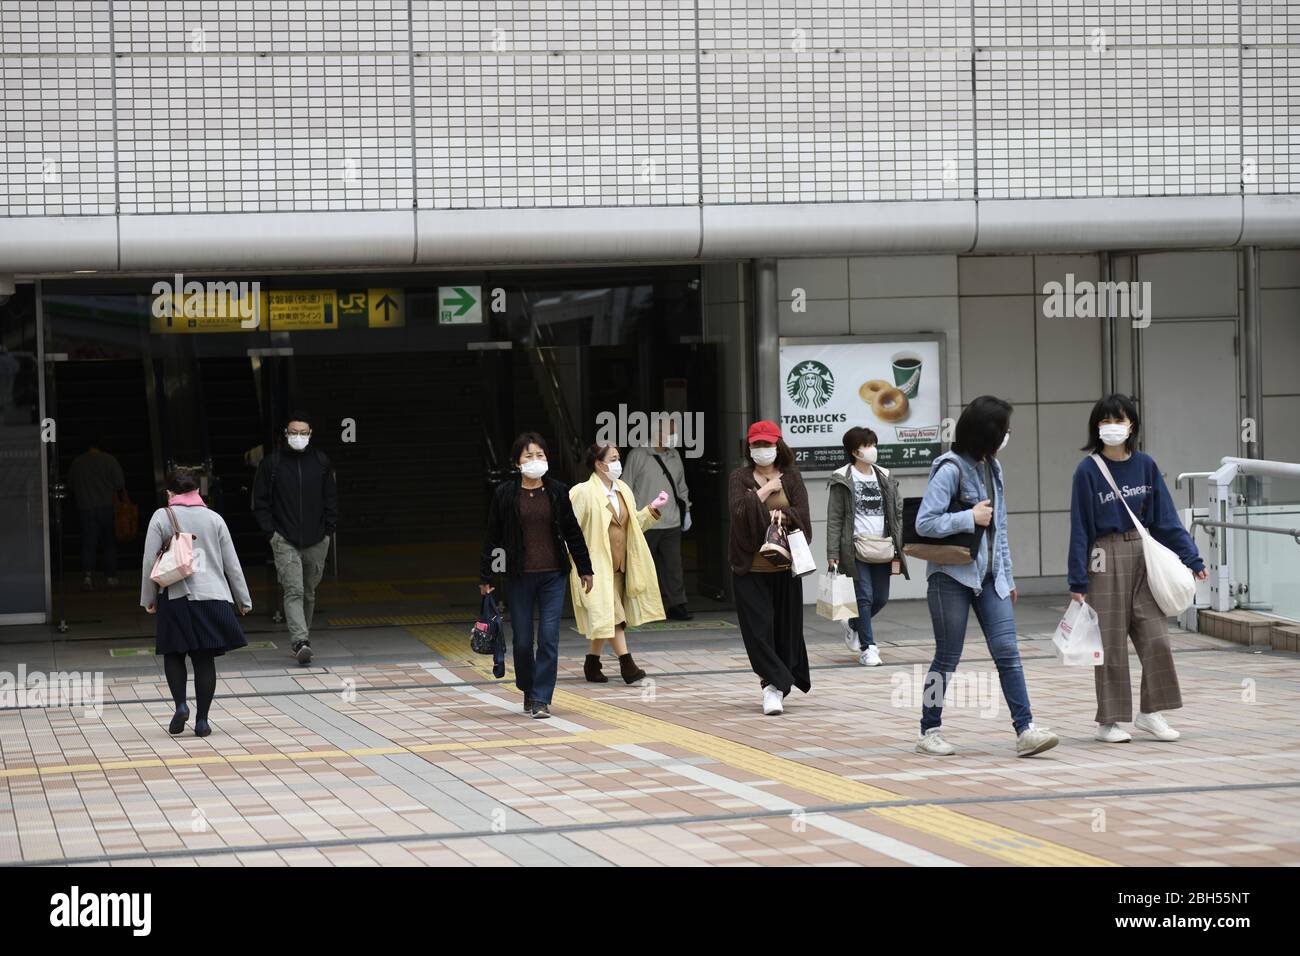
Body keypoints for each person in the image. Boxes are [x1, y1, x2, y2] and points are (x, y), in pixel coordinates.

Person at [914, 396, 1058, 758]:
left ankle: (1025, 730)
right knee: (947, 656)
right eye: (1004, 430)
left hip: (991, 578)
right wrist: (968, 518)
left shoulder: (993, 468)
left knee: (1008, 652)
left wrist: (1007, 576)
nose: (1008, 436)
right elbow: (924, 523)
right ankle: (928, 730)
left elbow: (1000, 529)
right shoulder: (949, 469)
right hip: (951, 577)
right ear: (987, 434)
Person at [1068, 394, 1207, 743]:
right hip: (1104, 557)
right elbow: (1080, 526)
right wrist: (1077, 578)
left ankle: (1150, 713)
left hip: (1143, 555)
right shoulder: (1087, 470)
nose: (1111, 427)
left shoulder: (1145, 465)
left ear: (1132, 425)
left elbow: (1165, 519)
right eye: (1104, 421)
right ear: (1096, 427)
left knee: (1156, 636)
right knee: (1110, 641)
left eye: (1118, 420)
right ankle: (1109, 721)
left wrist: (1192, 557)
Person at [480, 433, 593, 719]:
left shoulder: (557, 490)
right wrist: (486, 576)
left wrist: (585, 568)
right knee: (521, 640)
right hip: (519, 576)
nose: (535, 460)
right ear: (517, 462)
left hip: (553, 575)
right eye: (528, 456)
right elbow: (492, 537)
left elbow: (572, 531)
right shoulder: (505, 494)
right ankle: (528, 688)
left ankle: (541, 697)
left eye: (540, 455)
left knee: (549, 637)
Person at [140, 468, 251, 738]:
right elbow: (232, 564)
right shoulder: (215, 519)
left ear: (169, 492)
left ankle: (180, 705)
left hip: (177, 598)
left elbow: (148, 561)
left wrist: (149, 599)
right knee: (204, 659)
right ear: (197, 492)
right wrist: (243, 600)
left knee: (174, 653)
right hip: (213, 598)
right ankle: (202, 721)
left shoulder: (161, 517)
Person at [728, 420, 812, 716]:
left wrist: (784, 514)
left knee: (785, 630)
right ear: (749, 448)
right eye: (756, 445)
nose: (762, 450)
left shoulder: (791, 477)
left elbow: (804, 515)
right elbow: (738, 513)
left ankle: (776, 686)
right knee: (758, 630)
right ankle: (773, 684)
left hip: (785, 568)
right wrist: (765, 492)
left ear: (778, 446)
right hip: (750, 568)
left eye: (767, 445)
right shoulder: (740, 477)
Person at [570, 443, 669, 685]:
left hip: (620, 566)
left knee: (606, 616)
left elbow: (633, 524)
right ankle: (628, 665)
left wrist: (652, 509)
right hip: (594, 569)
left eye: (618, 458)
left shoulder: (622, 489)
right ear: (598, 464)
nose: (617, 463)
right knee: (614, 616)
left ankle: (592, 663)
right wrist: (578, 563)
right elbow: (570, 530)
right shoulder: (582, 492)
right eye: (612, 458)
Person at [251, 410, 337, 665]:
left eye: (303, 433)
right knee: (294, 590)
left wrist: (328, 531)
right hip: (284, 539)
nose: (298, 437)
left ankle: (303, 637)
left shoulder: (321, 462)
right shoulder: (272, 464)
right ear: (285, 435)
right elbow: (260, 501)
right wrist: (271, 534)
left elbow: (331, 499)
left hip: (317, 538)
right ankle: (300, 640)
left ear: (310, 435)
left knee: (309, 592)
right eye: (293, 432)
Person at [826, 426, 909, 666]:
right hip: (855, 549)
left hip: (883, 547)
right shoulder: (843, 478)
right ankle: (869, 648)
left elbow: (898, 511)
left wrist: (899, 540)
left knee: (880, 598)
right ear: (855, 451)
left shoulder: (884, 475)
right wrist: (833, 553)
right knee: (864, 597)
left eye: (873, 444)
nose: (872, 449)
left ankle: (853, 623)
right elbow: (835, 518)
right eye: (867, 445)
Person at [624, 417, 694, 620]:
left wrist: (687, 510)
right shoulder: (638, 455)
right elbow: (626, 484)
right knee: (640, 566)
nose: (674, 436)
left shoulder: (674, 456)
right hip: (645, 521)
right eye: (670, 432)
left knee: (674, 566)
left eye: (674, 432)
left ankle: (678, 604)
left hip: (671, 520)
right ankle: (639, 606)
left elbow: (681, 486)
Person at [68, 438, 126, 590]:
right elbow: (119, 483)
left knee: (88, 543)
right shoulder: (109, 460)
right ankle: (111, 577)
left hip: (85, 507)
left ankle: (88, 577)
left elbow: (71, 484)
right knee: (108, 542)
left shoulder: (78, 462)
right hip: (106, 506)